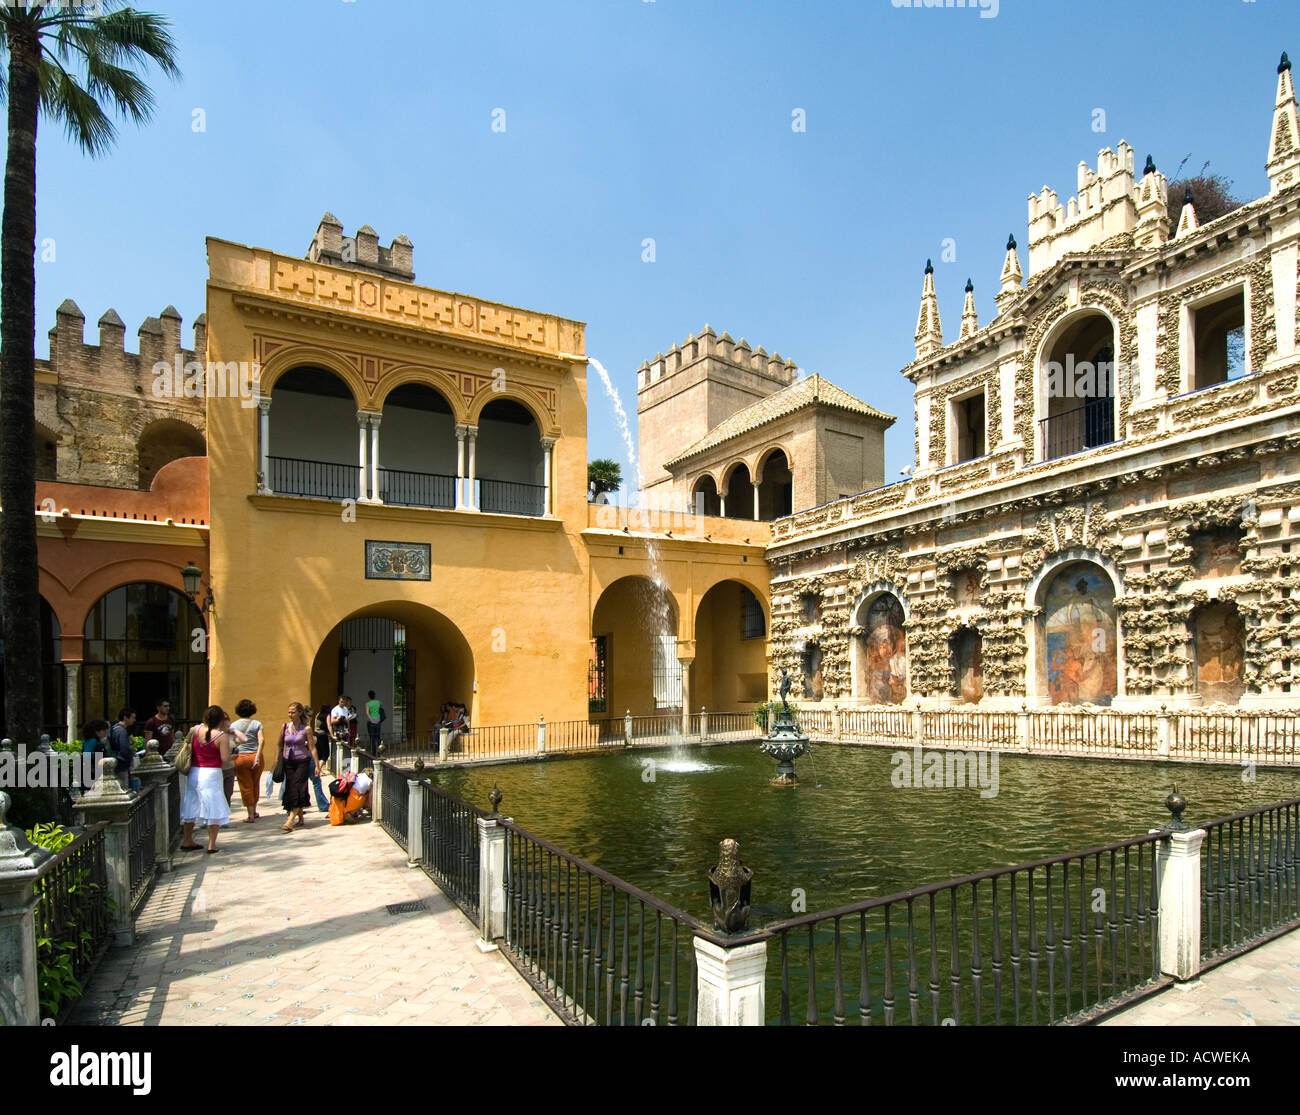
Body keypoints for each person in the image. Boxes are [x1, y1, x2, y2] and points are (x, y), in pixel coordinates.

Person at [180, 706, 245, 854]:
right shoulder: (220, 736)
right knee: (213, 806)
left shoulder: (195, 730)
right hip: (212, 773)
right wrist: (233, 756)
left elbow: (187, 745)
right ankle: (211, 844)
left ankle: (187, 839)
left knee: (191, 803)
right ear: (220, 719)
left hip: (195, 772)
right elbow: (224, 758)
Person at [276, 702, 319, 832]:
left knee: (297, 787)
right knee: (291, 788)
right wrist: (276, 761)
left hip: (302, 761)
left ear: (299, 713)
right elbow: (279, 745)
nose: (290, 715)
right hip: (288, 762)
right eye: (289, 712)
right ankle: (300, 818)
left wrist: (317, 765)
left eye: (293, 712)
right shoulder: (284, 727)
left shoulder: (306, 729)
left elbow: (312, 747)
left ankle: (290, 821)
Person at [229, 699, 263, 823]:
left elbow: (233, 743)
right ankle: (254, 810)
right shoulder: (257, 723)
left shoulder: (233, 725)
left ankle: (250, 815)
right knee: (255, 784)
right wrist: (258, 756)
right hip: (255, 755)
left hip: (241, 757)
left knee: (245, 786)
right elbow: (261, 741)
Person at [108, 708, 139, 792]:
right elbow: (124, 749)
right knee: (124, 789)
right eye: (132, 717)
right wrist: (130, 758)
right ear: (125, 717)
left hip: (117, 763)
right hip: (121, 765)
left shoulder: (114, 728)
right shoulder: (121, 731)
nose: (134, 720)